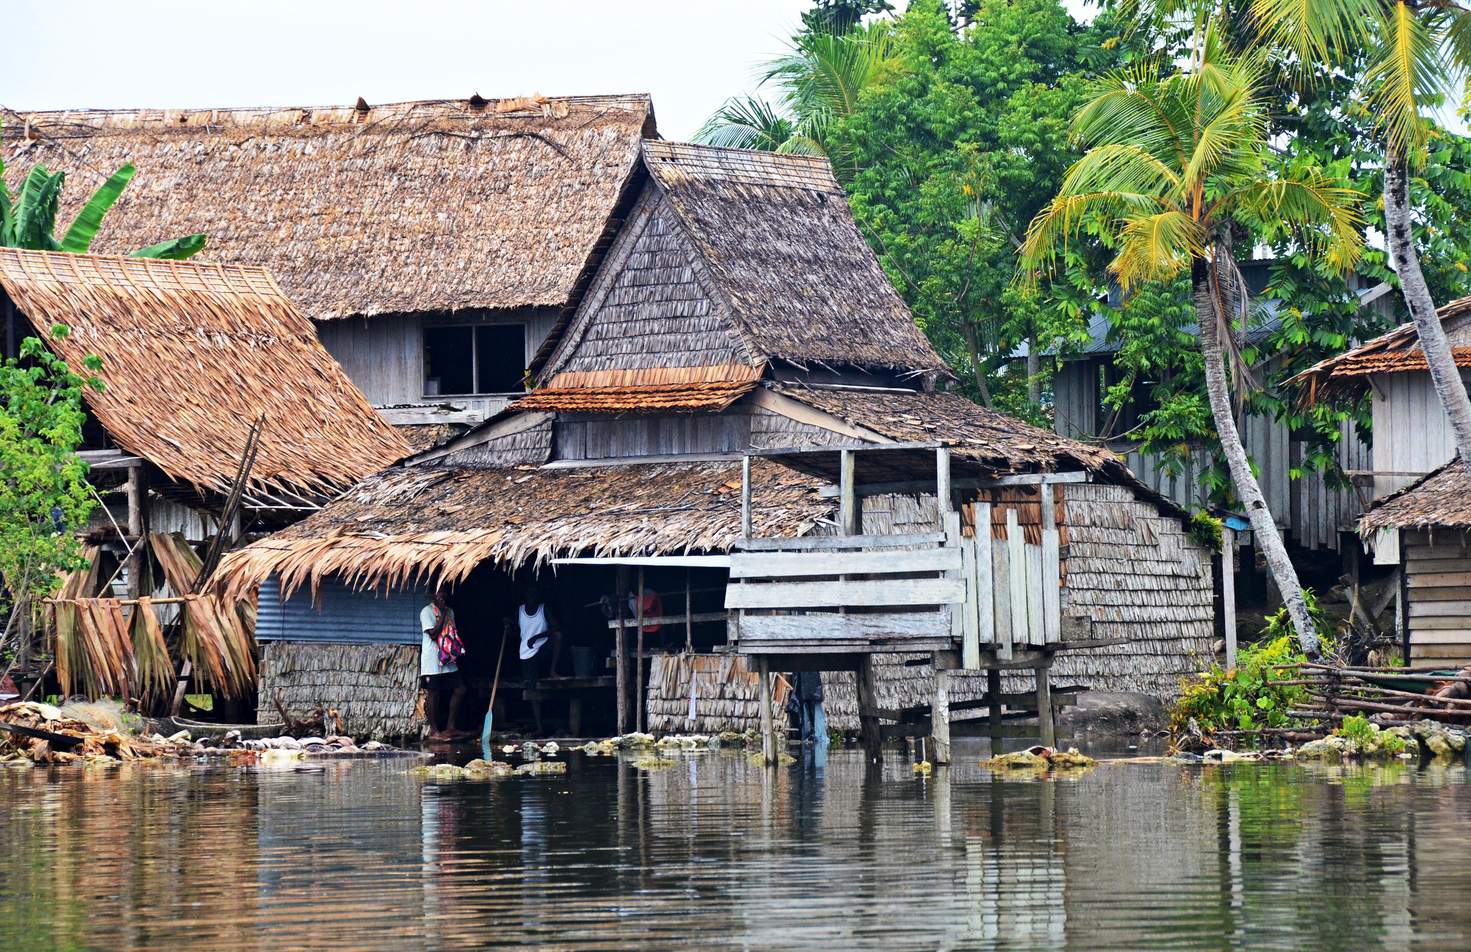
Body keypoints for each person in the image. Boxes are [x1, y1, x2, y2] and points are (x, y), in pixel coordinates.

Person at [508, 585, 560, 736]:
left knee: (558, 637)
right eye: (530, 593)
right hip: (526, 653)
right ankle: (539, 727)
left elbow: (556, 628)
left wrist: (537, 637)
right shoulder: (520, 611)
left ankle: (553, 670)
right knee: (532, 689)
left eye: (535, 593)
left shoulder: (544, 609)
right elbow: (512, 634)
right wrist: (508, 625)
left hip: (542, 648)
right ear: (525, 595)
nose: (532, 597)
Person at [420, 586, 467, 741]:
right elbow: (433, 634)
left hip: (447, 657)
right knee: (433, 692)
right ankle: (434, 731)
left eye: (444, 592)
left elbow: (451, 631)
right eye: (439, 592)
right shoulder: (426, 612)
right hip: (432, 659)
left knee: (460, 689)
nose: (442, 595)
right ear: (432, 594)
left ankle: (450, 726)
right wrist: (442, 614)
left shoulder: (450, 611)